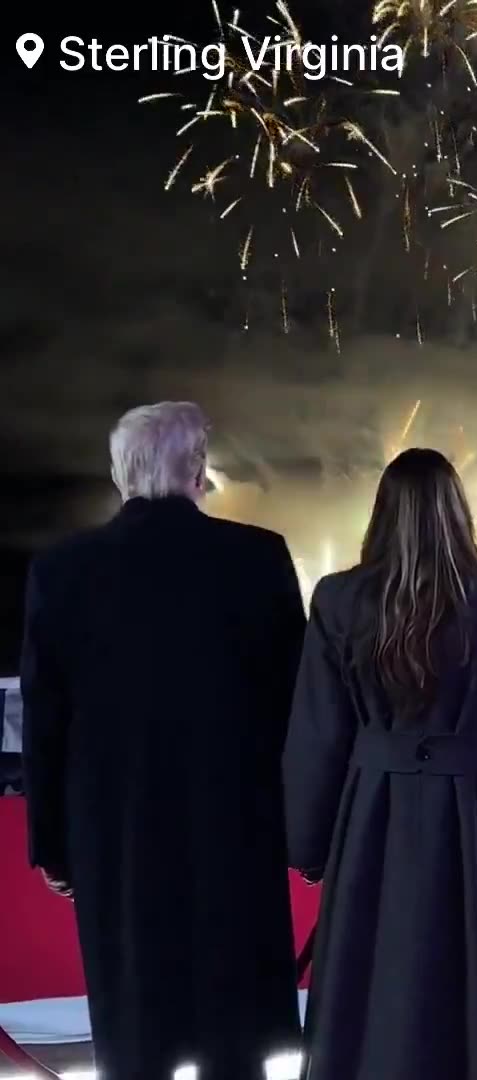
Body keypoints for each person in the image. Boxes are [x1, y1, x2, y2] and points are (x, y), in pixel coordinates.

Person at [20, 402, 306, 1080]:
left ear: (120, 474)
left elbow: (45, 719)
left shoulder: (62, 569)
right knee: (233, 1032)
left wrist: (50, 843)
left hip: (113, 832)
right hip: (234, 826)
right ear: (198, 471)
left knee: (133, 1024)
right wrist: (302, 826)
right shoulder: (258, 558)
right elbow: (297, 707)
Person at [284, 448, 477, 1080]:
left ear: (381, 513)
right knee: (472, 988)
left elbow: (318, 733)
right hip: (475, 814)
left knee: (372, 985)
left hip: (371, 819)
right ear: (458, 513)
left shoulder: (337, 600)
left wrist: (309, 844)